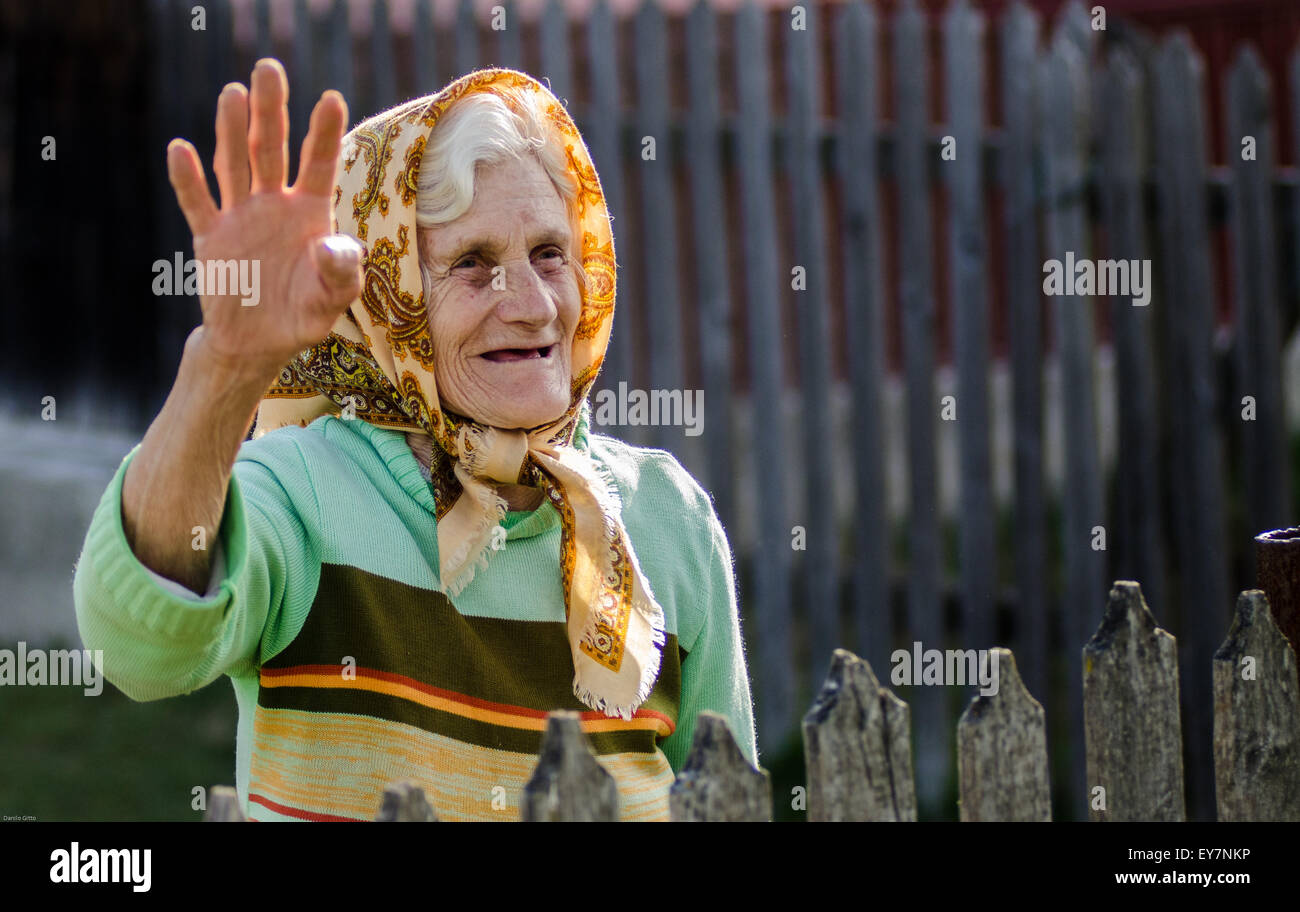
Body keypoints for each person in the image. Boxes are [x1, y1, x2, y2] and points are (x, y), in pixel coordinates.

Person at [72, 58, 758, 822]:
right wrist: (226, 369)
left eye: (549, 254)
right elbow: (136, 646)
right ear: (388, 303)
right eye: (473, 265)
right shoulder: (305, 494)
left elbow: (727, 797)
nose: (531, 305)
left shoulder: (667, 520)